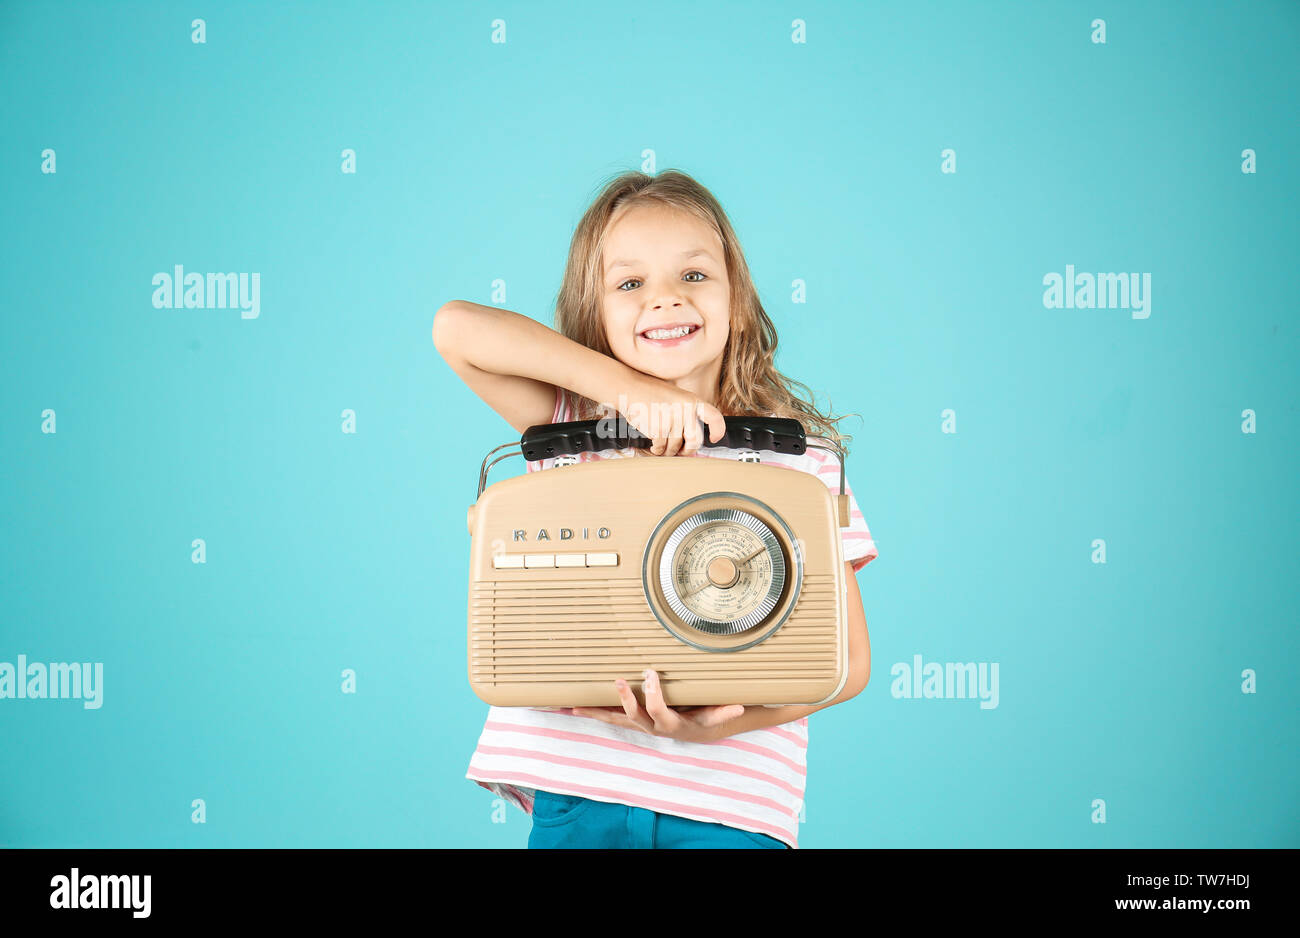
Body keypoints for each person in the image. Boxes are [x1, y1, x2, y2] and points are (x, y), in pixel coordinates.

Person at [432, 169, 878, 849]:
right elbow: (455, 328)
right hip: (579, 793)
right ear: (597, 310)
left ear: (738, 297)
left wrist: (715, 725)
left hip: (731, 806)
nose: (665, 301)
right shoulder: (574, 427)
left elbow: (848, 664)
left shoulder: (800, 461)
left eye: (694, 276)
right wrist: (623, 390)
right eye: (630, 284)